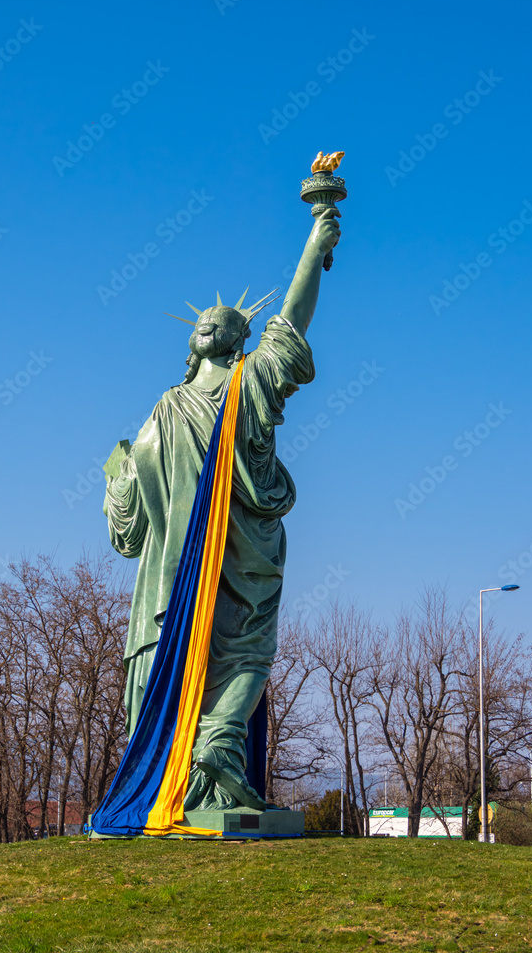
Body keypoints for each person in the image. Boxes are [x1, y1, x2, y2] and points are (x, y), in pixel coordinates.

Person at [104, 207, 341, 811]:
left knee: (214, 661)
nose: (213, 315)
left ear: (234, 341)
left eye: (224, 318)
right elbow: (128, 526)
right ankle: (216, 746)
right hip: (231, 571)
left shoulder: (193, 403)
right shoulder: (179, 407)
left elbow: (290, 320)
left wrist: (313, 249)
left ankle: (187, 771)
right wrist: (120, 480)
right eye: (209, 316)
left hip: (169, 587)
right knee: (247, 654)